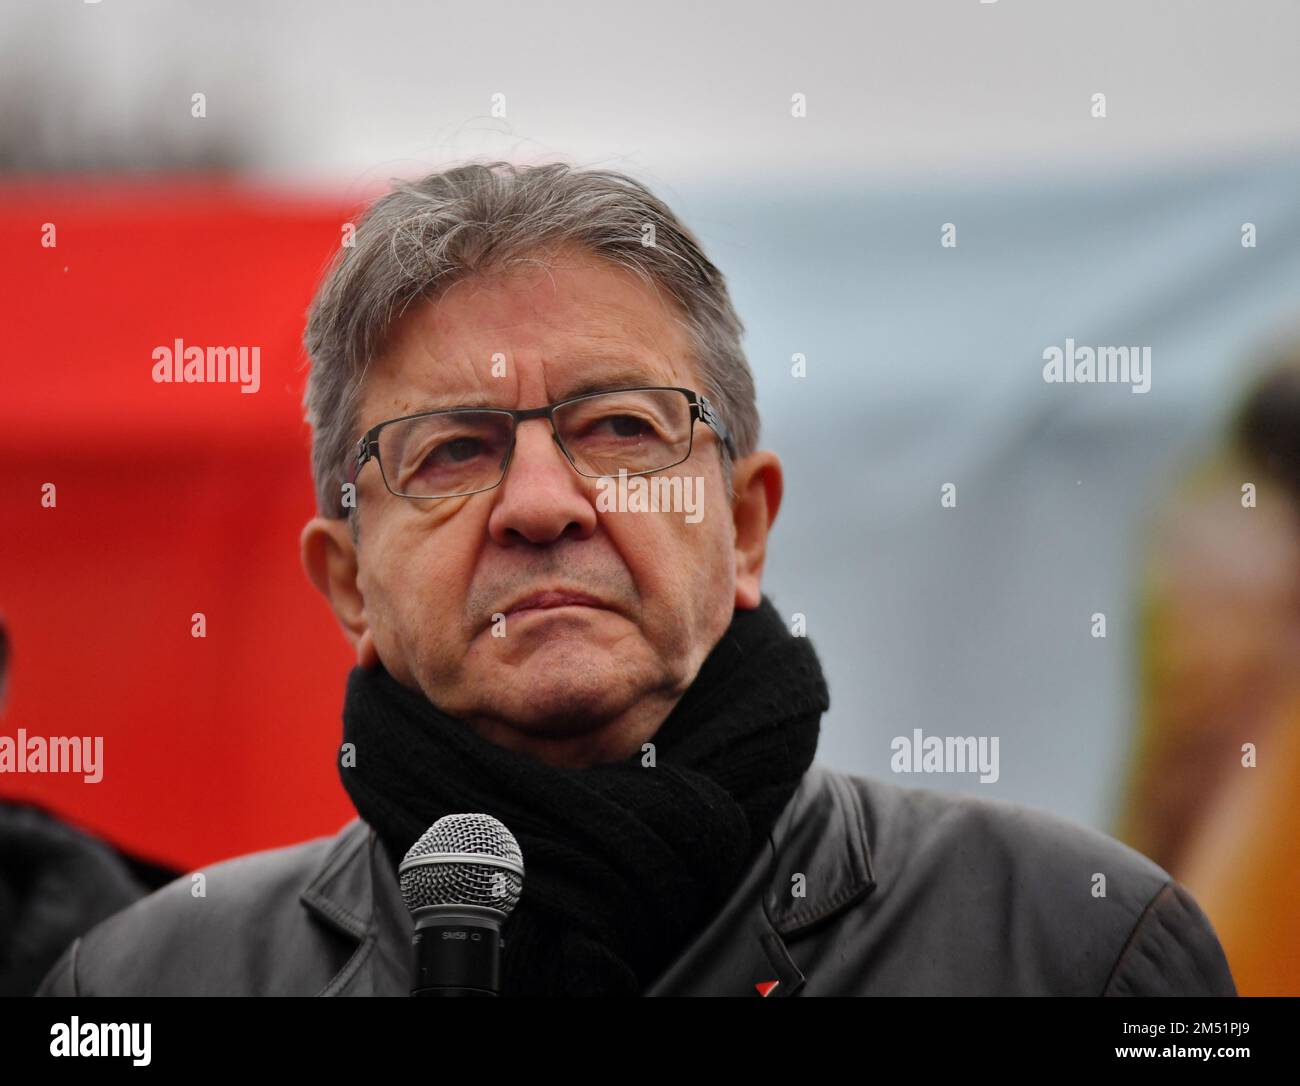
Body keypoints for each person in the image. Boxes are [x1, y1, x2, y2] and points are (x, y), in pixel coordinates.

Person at [36, 162, 1235, 996]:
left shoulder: (1074, 948)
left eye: (618, 427)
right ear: (347, 584)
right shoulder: (144, 989)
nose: (544, 505)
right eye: (452, 450)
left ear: (746, 525)